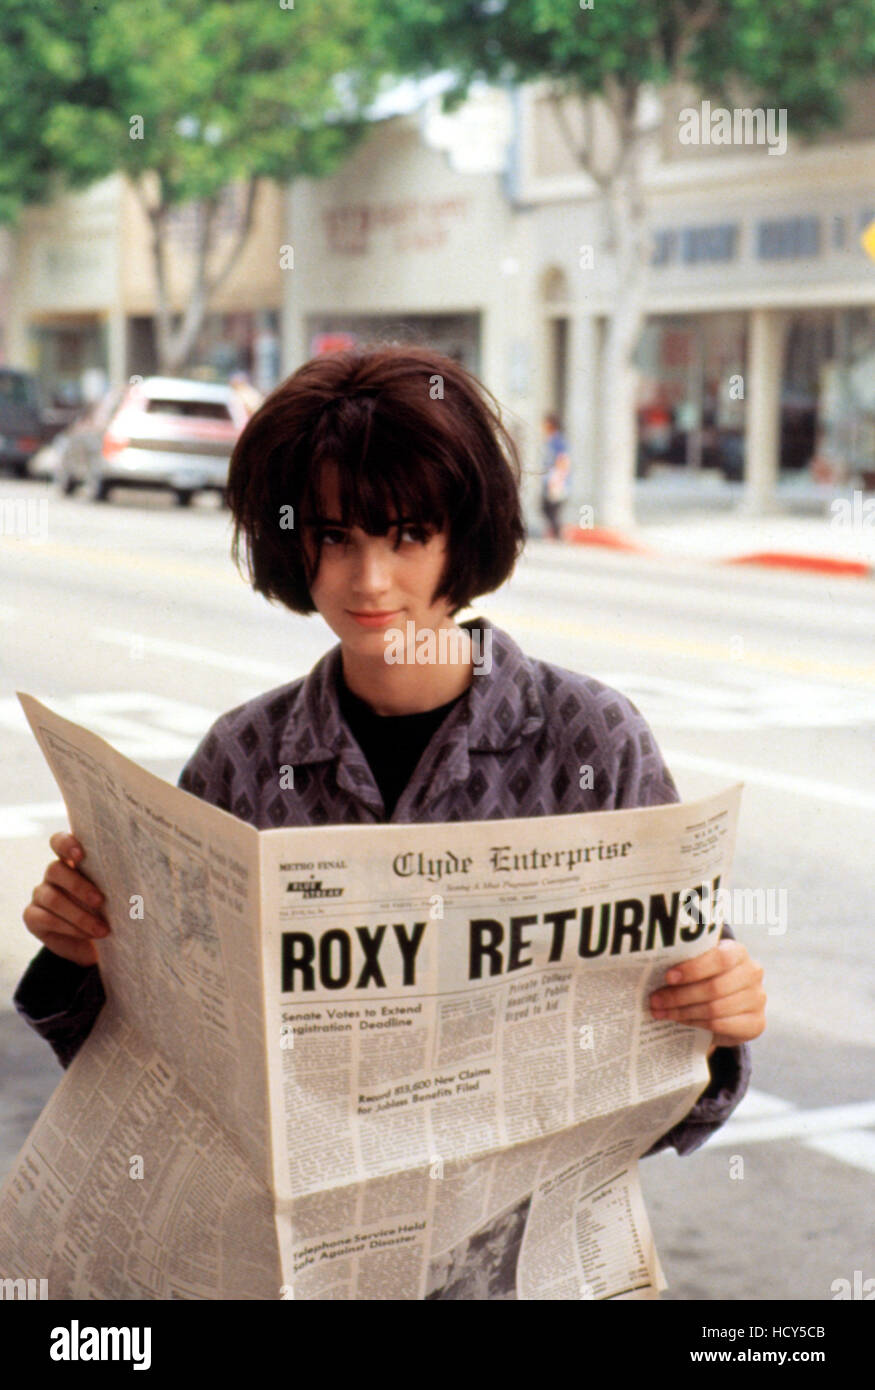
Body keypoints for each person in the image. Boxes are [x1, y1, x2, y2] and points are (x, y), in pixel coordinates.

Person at [16, 344, 766, 1292]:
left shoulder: (588, 740)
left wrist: (720, 1019)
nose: (369, 581)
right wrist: (78, 948)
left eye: (407, 534)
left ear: (467, 535)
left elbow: (678, 1089)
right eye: (334, 537)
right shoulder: (244, 757)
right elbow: (147, 1075)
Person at [540, 411, 571, 539]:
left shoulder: (558, 440)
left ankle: (559, 534)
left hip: (555, 478)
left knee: (551, 508)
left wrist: (558, 478)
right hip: (549, 477)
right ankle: (557, 532)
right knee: (547, 507)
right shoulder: (550, 439)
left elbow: (563, 460)